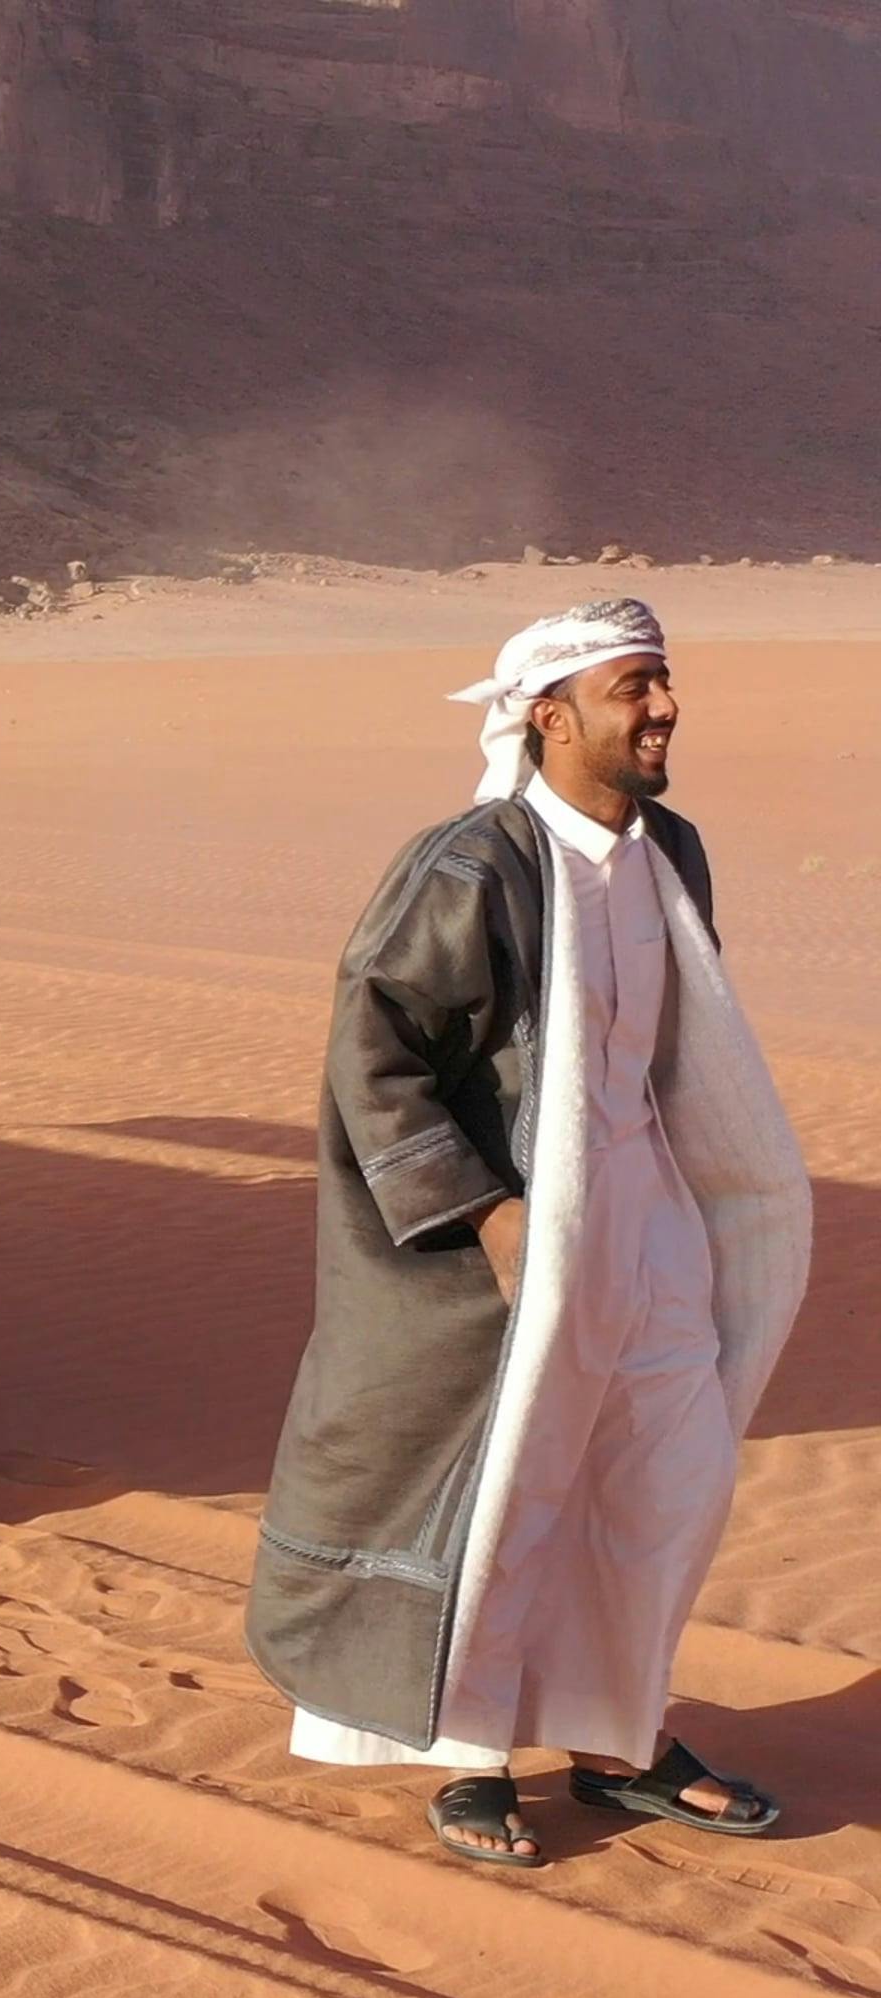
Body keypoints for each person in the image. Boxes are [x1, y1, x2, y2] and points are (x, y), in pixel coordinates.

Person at [247, 599, 813, 1868]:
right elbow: (374, 1052)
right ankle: (470, 1755)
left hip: (650, 1218)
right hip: (530, 1233)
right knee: (512, 1487)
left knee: (662, 1482)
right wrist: (487, 1215)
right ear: (550, 717)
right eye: (634, 688)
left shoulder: (671, 850)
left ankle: (620, 1742)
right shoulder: (474, 864)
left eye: (666, 681)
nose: (663, 708)